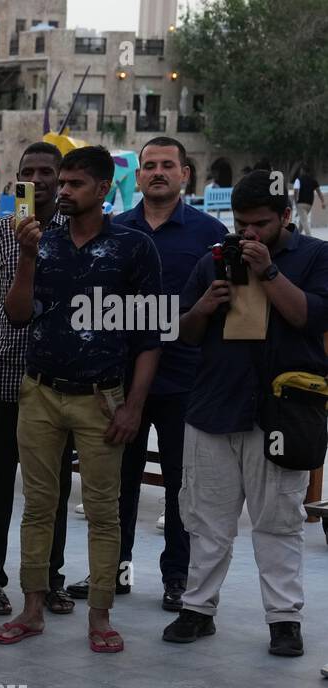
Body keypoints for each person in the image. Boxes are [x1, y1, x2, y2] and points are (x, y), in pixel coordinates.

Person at [0, 145, 163, 654]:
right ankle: (31, 609)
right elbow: (18, 316)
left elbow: (152, 335)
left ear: (103, 189)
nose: (61, 192)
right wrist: (26, 258)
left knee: (104, 512)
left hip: (102, 399)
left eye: (73, 184)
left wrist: (133, 406)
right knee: (38, 506)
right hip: (40, 391)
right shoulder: (40, 242)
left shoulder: (133, 248)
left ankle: (101, 617)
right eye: (60, 183)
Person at [165, 170, 328, 657]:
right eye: (240, 224)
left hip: (280, 412)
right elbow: (183, 333)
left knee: (279, 521)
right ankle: (197, 609)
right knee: (205, 520)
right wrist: (204, 308)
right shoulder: (214, 259)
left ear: (285, 217)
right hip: (214, 406)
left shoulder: (315, 257)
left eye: (259, 224)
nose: (249, 234)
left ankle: (284, 620)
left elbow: (308, 318)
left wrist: (269, 273)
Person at [66, 137, 226, 611]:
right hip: (120, 381)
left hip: (186, 381)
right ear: (136, 178)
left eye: (167, 165)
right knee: (116, 484)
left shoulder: (210, 235)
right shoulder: (114, 230)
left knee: (183, 489)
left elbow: (220, 307)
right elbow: (99, 303)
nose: (157, 172)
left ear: (185, 175)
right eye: (149, 166)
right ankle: (112, 573)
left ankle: (177, 578)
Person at [0, 142, 76, 617]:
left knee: (50, 489)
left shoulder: (76, 233)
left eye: (46, 171)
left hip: (57, 383)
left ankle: (48, 579)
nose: (36, 180)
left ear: (60, 179)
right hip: (2, 380)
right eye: (27, 172)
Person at [292, 164, 324, 236]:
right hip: (309, 204)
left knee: (304, 221)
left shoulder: (298, 179)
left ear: (302, 171)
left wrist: (295, 201)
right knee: (302, 220)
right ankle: (298, 236)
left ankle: (309, 237)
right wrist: (323, 202)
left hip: (301, 203)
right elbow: (319, 192)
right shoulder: (313, 180)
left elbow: (296, 191)